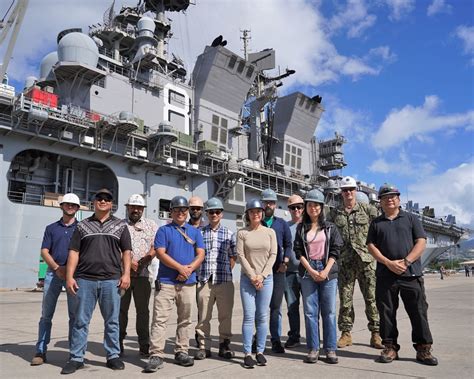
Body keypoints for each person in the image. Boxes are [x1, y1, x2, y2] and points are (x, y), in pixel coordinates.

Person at [367, 183, 438, 366]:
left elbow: (421, 242)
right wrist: (388, 263)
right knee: (386, 313)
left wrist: (406, 262)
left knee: (418, 312)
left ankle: (423, 349)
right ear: (380, 202)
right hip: (385, 274)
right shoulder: (376, 223)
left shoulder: (411, 219)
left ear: (398, 199)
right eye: (385, 197)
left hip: (411, 274)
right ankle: (390, 347)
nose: (389, 199)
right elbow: (371, 246)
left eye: (393, 196)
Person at [62, 189, 132, 374]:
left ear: (111, 204)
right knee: (80, 321)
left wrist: (126, 274)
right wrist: (69, 276)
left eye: (106, 199)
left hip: (112, 280)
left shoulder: (120, 225)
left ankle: (113, 356)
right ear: (94, 202)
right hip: (85, 280)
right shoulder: (82, 225)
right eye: (99, 198)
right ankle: (76, 357)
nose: (102, 201)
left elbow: (126, 252)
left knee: (112, 321)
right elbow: (74, 252)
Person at [144, 196, 205, 372]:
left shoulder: (195, 232)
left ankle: (182, 351)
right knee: (160, 320)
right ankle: (156, 354)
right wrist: (180, 268)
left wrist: (188, 269)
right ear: (171, 212)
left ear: (187, 212)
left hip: (188, 283)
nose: (181, 212)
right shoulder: (164, 230)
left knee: (185, 320)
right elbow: (160, 253)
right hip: (166, 282)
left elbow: (200, 254)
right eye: (177, 209)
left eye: (184, 210)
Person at [328, 176, 383, 349]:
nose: (348, 193)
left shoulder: (368, 210)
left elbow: (380, 231)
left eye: (351, 189)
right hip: (345, 263)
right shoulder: (334, 213)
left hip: (366, 261)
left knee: (372, 298)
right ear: (341, 193)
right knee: (345, 300)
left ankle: (376, 334)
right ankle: (346, 334)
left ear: (355, 191)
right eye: (345, 190)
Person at [294, 189, 343, 364]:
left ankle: (330, 349)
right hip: (308, 271)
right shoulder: (301, 228)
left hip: (328, 269)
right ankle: (313, 348)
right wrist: (312, 271)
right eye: (310, 204)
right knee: (310, 312)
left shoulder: (330, 227)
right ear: (306, 207)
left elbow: (336, 249)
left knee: (329, 312)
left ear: (322, 207)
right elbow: (298, 251)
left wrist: (325, 271)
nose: (313, 207)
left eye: (316, 205)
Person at [31, 193, 80, 366]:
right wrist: (57, 268)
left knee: (75, 316)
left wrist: (69, 271)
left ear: (77, 208)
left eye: (73, 205)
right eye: (67, 204)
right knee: (46, 315)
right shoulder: (51, 228)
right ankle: (40, 351)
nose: (70, 207)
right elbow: (45, 251)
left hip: (74, 276)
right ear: (62, 206)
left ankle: (74, 352)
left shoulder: (81, 229)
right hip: (54, 273)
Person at [194, 197, 237, 360]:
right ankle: (204, 347)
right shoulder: (199, 233)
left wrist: (225, 271)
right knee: (204, 316)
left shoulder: (229, 234)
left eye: (217, 212)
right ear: (206, 214)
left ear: (221, 214)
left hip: (224, 280)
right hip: (205, 280)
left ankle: (224, 345)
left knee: (225, 315)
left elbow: (233, 256)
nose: (214, 214)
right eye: (211, 212)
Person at [238, 199, 277, 368]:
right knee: (249, 316)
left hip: (266, 279)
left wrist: (262, 276)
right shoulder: (242, 233)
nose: (256, 214)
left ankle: (260, 351)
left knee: (262, 316)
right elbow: (241, 256)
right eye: (252, 211)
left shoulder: (270, 232)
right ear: (248, 214)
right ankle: (247, 353)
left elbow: (273, 255)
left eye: (258, 211)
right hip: (248, 280)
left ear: (262, 213)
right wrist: (254, 276)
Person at [119, 194, 158, 357]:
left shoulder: (151, 225)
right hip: (122, 275)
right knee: (120, 311)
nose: (136, 210)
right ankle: (118, 343)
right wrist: (129, 262)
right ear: (127, 208)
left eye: (139, 208)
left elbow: (156, 246)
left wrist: (142, 261)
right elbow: (114, 247)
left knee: (143, 311)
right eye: (133, 207)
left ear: (143, 210)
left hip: (143, 274)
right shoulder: (119, 225)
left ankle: (144, 344)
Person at [260, 188, 292, 354]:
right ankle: (259, 340)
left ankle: (275, 340)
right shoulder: (257, 223)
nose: (268, 205)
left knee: (275, 307)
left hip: (278, 270)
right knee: (260, 308)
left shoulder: (282, 224)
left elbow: (288, 244)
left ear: (275, 205)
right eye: (265, 202)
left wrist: (285, 262)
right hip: (261, 272)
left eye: (271, 202)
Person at [284, 194, 304, 348]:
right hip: (289, 273)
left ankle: (313, 337)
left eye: (299, 207)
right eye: (292, 207)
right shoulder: (285, 226)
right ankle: (295, 336)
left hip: (308, 272)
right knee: (292, 307)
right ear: (288, 209)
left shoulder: (310, 225)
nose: (296, 210)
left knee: (312, 307)